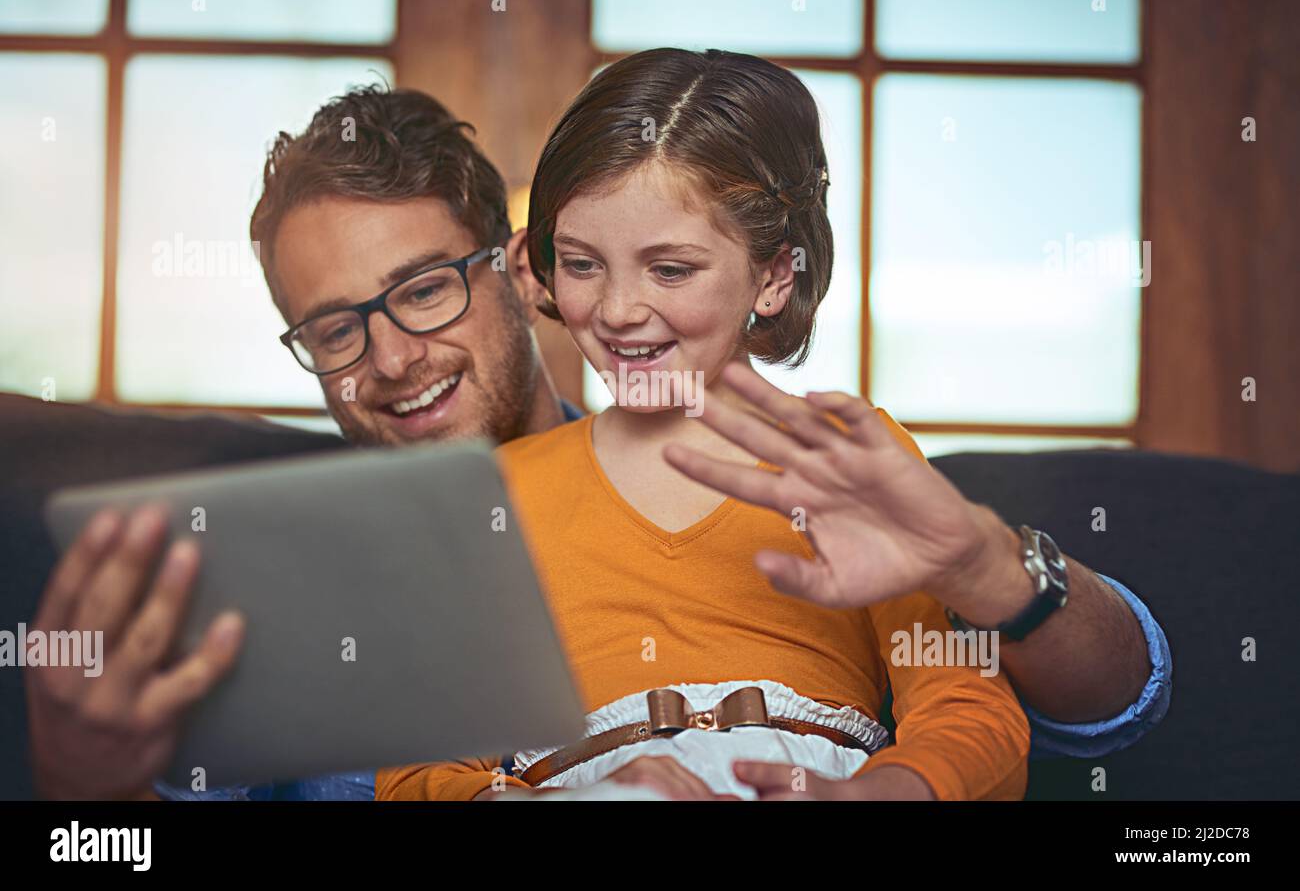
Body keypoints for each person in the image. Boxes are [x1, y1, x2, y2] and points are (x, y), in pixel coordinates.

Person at [27, 82, 1169, 801]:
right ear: (558, 271)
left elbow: (1072, 705)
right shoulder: (281, 572)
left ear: (511, 271)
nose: (389, 357)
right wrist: (82, 777)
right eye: (333, 325)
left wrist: (979, 593)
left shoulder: (841, 466)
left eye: (422, 290)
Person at [374, 49, 1141, 801]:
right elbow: (418, 771)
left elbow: (966, 705)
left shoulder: (848, 455)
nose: (615, 310)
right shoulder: (496, 496)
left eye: (670, 269)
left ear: (774, 276)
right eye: (581, 264)